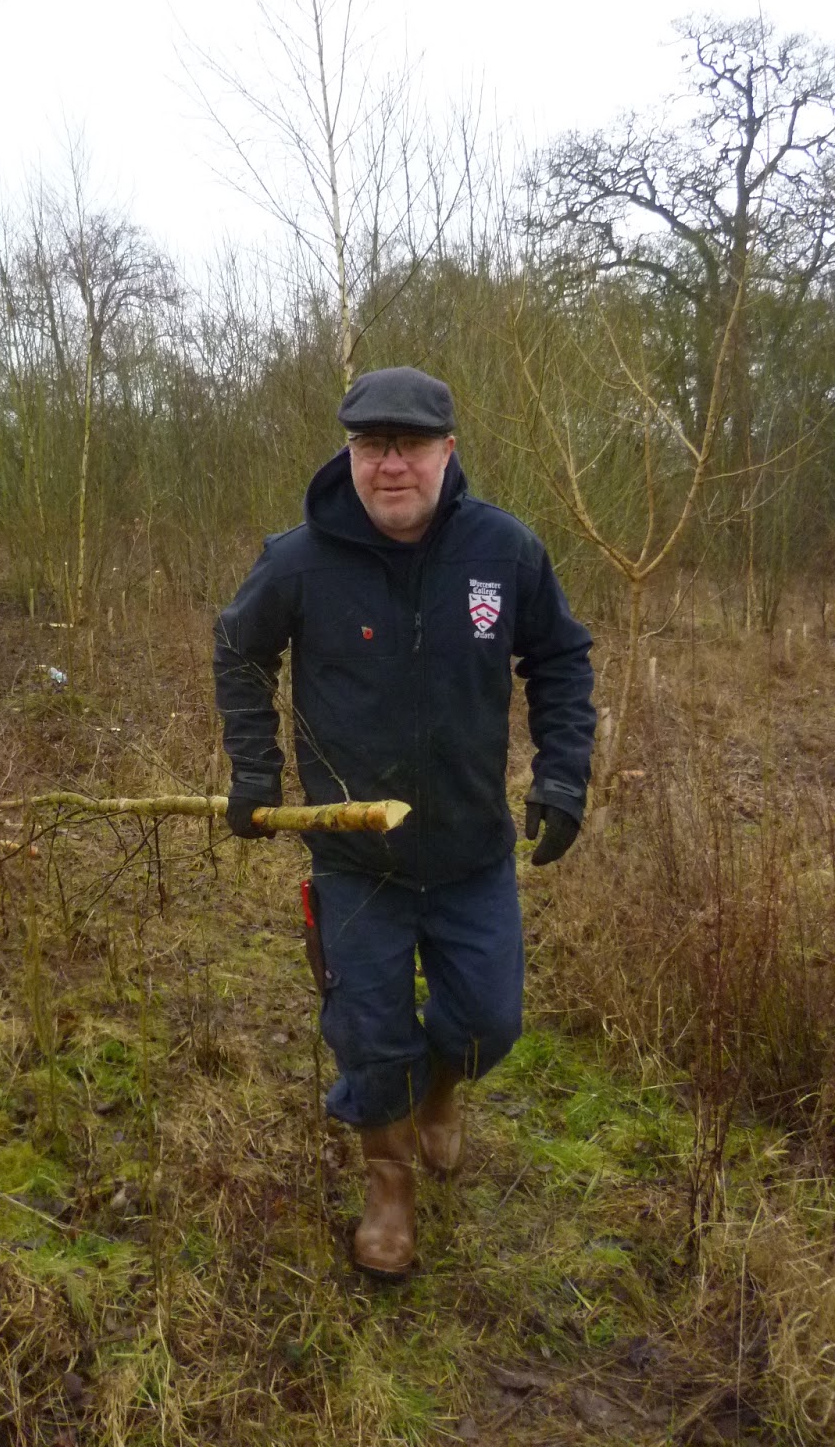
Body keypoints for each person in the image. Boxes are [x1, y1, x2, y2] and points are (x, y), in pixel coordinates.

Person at [214, 367, 595, 1278]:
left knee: (487, 1023)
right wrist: (257, 771)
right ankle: (388, 1184)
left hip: (471, 851)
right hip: (354, 860)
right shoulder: (299, 560)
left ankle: (444, 1093)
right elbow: (239, 646)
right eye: (371, 446)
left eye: (410, 446)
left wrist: (563, 775)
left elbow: (562, 660)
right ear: (350, 452)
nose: (391, 465)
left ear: (446, 452)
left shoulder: (505, 551)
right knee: (369, 1032)